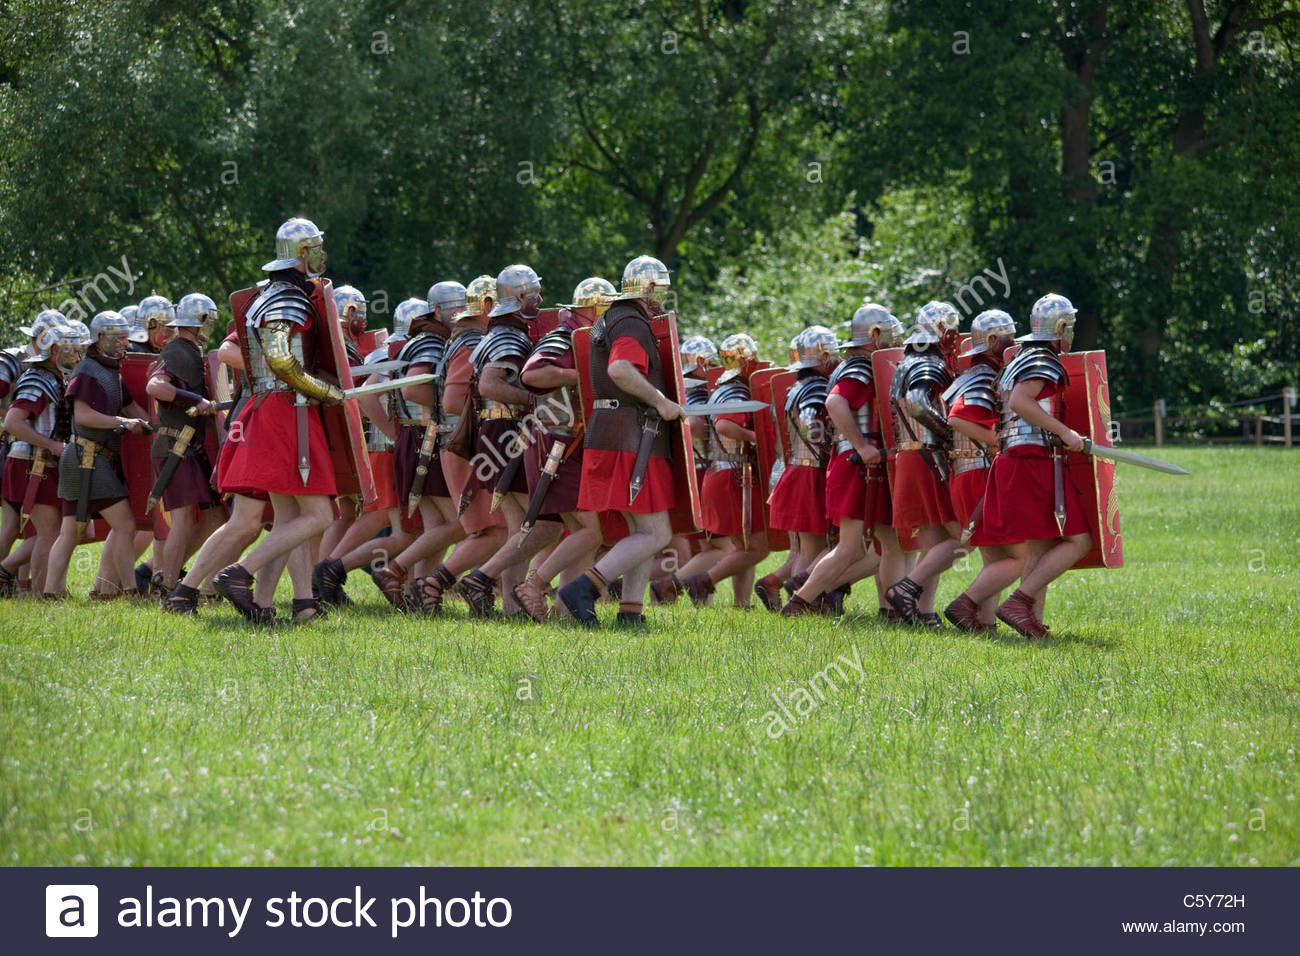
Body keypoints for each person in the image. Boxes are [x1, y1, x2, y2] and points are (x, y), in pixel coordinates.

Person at [212, 217, 344, 623]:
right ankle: (239, 573)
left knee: (288, 518)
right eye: (317, 246)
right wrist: (326, 392)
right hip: (290, 408)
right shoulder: (289, 295)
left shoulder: (271, 293)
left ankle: (264, 605)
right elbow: (281, 359)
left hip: (279, 406)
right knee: (319, 516)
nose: (323, 253)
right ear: (303, 252)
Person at [555, 255, 682, 627]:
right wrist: (661, 401)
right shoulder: (631, 321)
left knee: (641, 531)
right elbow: (620, 369)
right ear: (651, 288)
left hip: (618, 432)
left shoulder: (613, 316)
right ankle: (584, 587)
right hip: (629, 435)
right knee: (657, 532)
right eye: (661, 289)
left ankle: (631, 613)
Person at [453, 264, 563, 616]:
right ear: (518, 297)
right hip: (506, 433)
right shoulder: (508, 335)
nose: (540, 300)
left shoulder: (500, 331)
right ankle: (479, 579)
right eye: (534, 294)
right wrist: (535, 400)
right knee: (540, 524)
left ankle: (511, 609)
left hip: (501, 432)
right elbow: (489, 385)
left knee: (520, 527)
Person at [781, 304, 903, 617]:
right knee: (851, 546)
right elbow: (834, 403)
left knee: (890, 542)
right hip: (855, 462)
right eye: (887, 333)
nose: (894, 340)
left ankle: (892, 611)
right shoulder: (860, 366)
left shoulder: (862, 364)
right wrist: (861, 446)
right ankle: (800, 601)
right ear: (875, 334)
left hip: (867, 464)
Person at [982, 293, 1091, 638]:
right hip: (1029, 460)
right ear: (1060, 328)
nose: (1071, 334)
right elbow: (1020, 402)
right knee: (1079, 541)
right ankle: (1020, 601)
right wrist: (1065, 432)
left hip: (1025, 458)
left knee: (1040, 545)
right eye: (1069, 327)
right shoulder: (1044, 359)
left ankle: (1030, 622)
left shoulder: (1024, 357)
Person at [511, 277, 616, 622]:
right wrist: (580, 376)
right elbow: (532, 374)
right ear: (595, 306)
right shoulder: (563, 336)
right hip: (556, 444)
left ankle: (563, 611)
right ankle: (534, 585)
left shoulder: (582, 336)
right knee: (590, 531)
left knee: (584, 532)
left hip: (568, 443)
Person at [654, 332, 769, 607]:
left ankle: (739, 603)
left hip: (708, 471)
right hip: (717, 470)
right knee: (732, 547)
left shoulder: (703, 392)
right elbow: (702, 428)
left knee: (733, 546)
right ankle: (675, 585)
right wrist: (756, 438)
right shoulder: (699, 395)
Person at [45, 311, 152, 598]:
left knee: (72, 530)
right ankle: (126, 589)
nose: (123, 343)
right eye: (117, 338)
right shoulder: (87, 370)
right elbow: (84, 415)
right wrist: (122, 423)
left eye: (125, 337)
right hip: (86, 457)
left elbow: (132, 409)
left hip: (91, 458)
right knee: (124, 524)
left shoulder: (111, 372)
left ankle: (53, 592)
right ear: (100, 338)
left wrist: (153, 426)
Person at [883, 301, 963, 627]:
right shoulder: (929, 362)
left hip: (909, 454)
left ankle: (926, 613)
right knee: (965, 537)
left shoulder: (906, 362)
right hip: (928, 455)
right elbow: (917, 405)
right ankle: (906, 589)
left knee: (933, 542)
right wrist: (948, 434)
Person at [144, 293, 225, 595]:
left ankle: (169, 572)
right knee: (182, 519)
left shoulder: (190, 350)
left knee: (216, 515)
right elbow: (156, 386)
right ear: (200, 321)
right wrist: (196, 400)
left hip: (191, 447)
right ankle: (166, 586)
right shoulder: (178, 349)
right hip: (175, 446)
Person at [0, 313, 79, 596]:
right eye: (70, 347)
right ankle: (40, 593)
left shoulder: (52, 376)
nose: (76, 352)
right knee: (48, 531)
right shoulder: (39, 378)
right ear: (55, 350)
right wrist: (52, 445)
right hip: (31, 463)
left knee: (51, 530)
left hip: (40, 462)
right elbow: (13, 422)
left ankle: (28, 583)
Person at [766, 326, 839, 596]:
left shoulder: (797, 387)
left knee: (805, 547)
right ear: (823, 357)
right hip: (809, 472)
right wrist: (833, 440)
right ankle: (801, 601)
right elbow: (809, 424)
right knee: (812, 547)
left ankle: (800, 599)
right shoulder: (816, 386)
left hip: (798, 468)